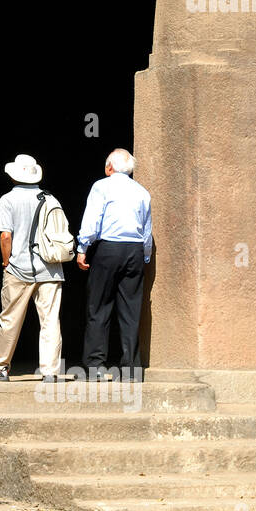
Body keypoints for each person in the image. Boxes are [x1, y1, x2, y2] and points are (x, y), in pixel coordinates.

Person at [0, 155, 65, 383]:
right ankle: (50, 372)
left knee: (10, 320)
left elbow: (6, 236)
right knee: (50, 321)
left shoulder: (7, 200)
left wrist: (6, 262)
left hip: (18, 268)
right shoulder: (51, 199)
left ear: (14, 175)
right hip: (50, 269)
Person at [75, 148, 153, 380]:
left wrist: (82, 248)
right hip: (134, 250)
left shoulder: (102, 186)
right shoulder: (142, 191)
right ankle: (131, 369)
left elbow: (92, 219)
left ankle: (95, 365)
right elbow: (147, 229)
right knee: (131, 309)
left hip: (108, 248)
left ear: (110, 167)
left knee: (99, 306)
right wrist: (145, 255)